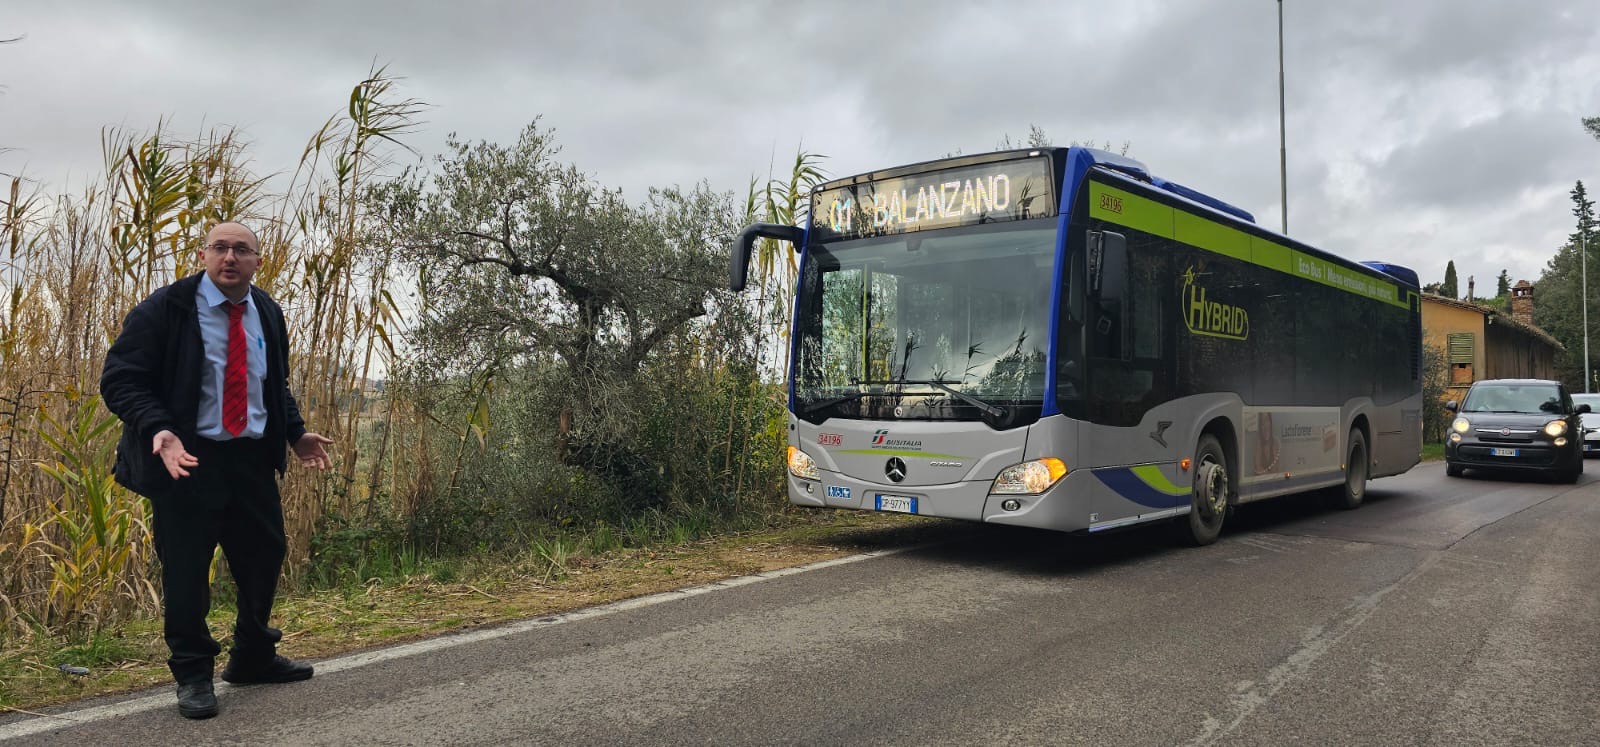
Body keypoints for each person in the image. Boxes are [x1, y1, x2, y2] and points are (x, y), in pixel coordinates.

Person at [100, 221, 334, 720]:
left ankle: (252, 657)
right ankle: (192, 673)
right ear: (204, 255)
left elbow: (274, 387)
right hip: (186, 460)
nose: (230, 257)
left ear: (257, 261)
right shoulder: (166, 308)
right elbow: (121, 379)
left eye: (241, 249)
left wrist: (295, 434)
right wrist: (159, 429)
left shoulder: (266, 311)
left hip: (250, 461)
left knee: (264, 557)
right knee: (187, 572)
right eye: (220, 248)